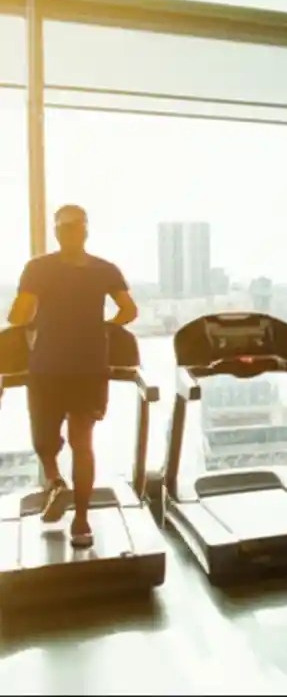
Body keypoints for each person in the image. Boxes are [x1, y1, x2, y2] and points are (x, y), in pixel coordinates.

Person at [6, 205, 137, 549]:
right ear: (85, 231)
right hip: (89, 365)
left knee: (45, 441)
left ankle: (54, 481)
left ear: (58, 232)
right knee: (83, 443)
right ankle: (81, 522)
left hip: (48, 366)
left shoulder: (38, 268)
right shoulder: (105, 269)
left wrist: (22, 314)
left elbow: (20, 314)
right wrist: (105, 329)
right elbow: (129, 310)